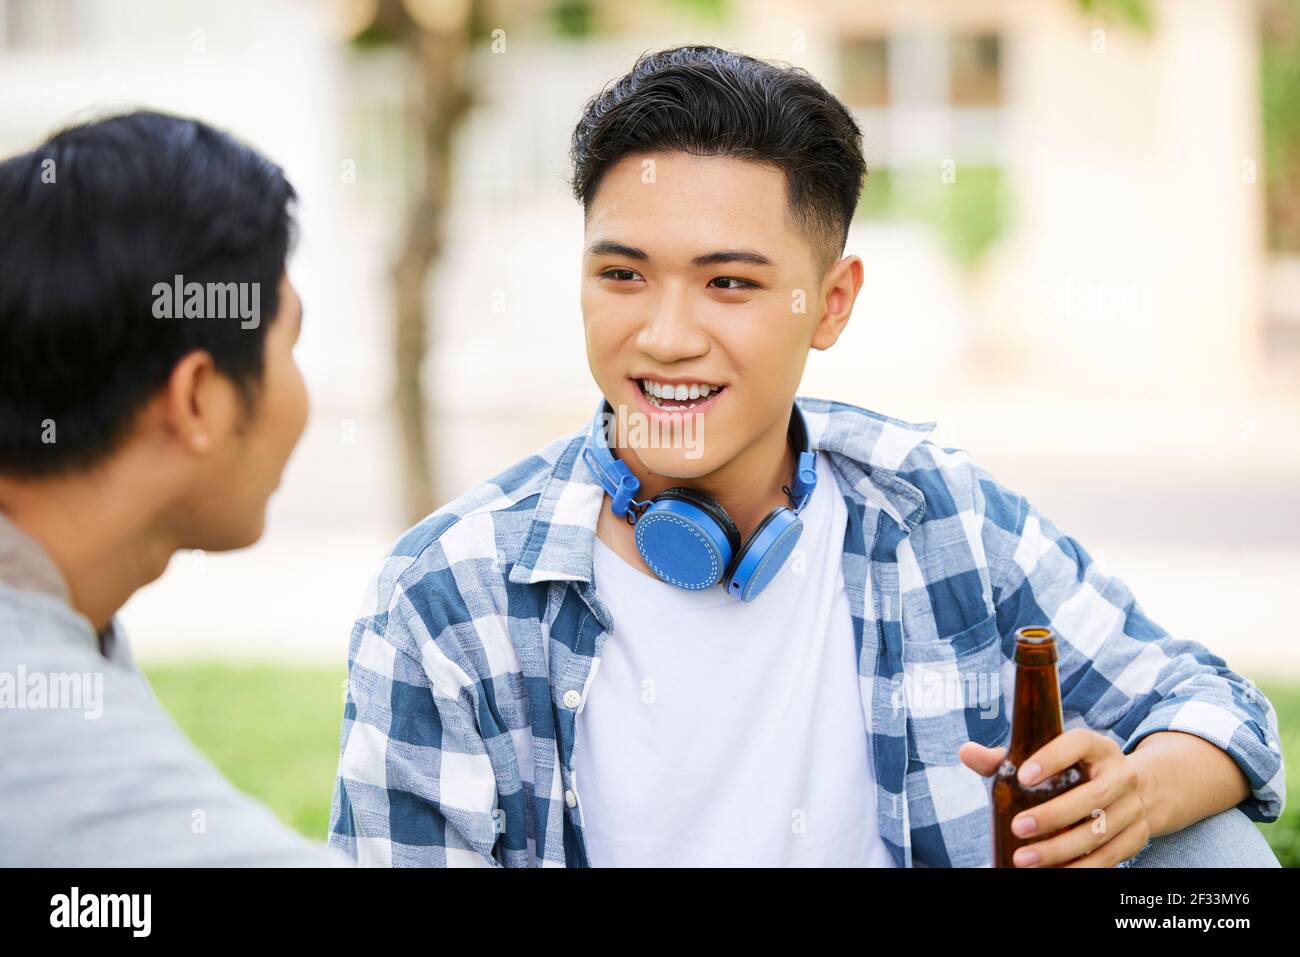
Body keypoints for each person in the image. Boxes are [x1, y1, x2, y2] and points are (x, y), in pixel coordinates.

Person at [327, 46, 1284, 867]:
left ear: (830, 304)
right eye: (622, 274)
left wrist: (1132, 800)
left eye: (729, 283)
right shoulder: (446, 597)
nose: (664, 337)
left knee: (1212, 856)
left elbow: (1218, 708)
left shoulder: (931, 512)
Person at [0, 111, 349, 866]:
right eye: (290, 341)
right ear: (198, 398)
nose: (302, 394)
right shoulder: (37, 732)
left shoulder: (63, 622)